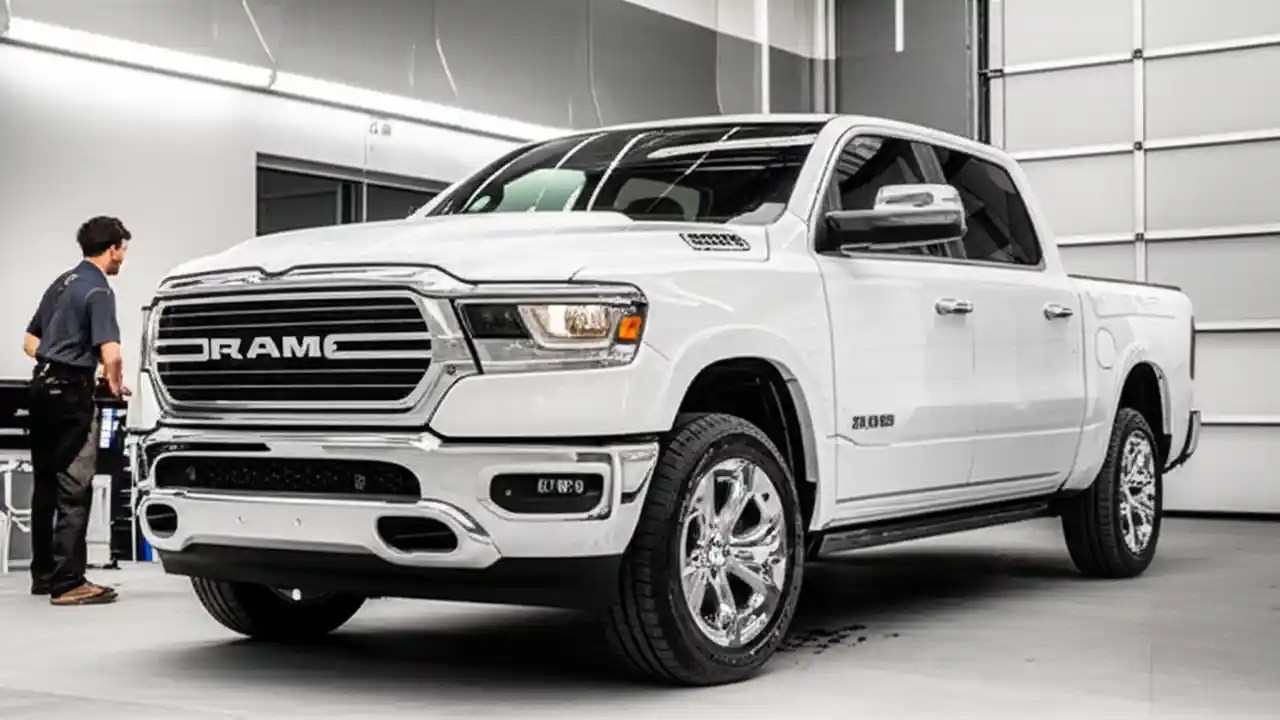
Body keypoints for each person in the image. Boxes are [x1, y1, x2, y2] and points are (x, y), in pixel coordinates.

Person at [22, 216, 132, 606]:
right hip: (71, 396)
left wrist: (59, 360)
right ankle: (68, 583)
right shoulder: (99, 290)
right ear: (113, 247)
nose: (123, 259)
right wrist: (113, 385)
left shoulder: (62, 282)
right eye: (123, 251)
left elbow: (29, 341)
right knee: (75, 486)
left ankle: (44, 575)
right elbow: (112, 354)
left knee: (47, 485)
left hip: (41, 390)